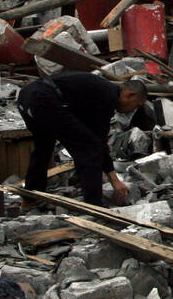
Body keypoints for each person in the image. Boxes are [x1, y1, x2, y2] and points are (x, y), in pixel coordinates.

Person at [17, 72, 147, 204]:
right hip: (42, 99)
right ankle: (94, 206)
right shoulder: (108, 96)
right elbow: (99, 141)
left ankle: (30, 197)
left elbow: (82, 129)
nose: (132, 111)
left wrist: (96, 173)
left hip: (27, 97)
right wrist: (114, 180)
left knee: (44, 147)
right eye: (136, 105)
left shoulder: (99, 90)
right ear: (130, 95)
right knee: (90, 148)